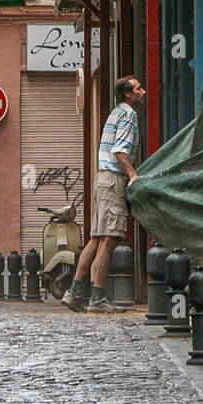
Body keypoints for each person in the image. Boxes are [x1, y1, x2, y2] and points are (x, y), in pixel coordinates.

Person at [62, 76, 144, 314]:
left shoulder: (115, 112)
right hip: (114, 179)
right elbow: (120, 149)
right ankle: (97, 297)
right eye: (139, 88)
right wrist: (132, 175)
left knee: (97, 238)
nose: (143, 91)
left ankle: (74, 292)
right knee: (108, 240)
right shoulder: (129, 114)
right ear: (128, 94)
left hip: (102, 179)